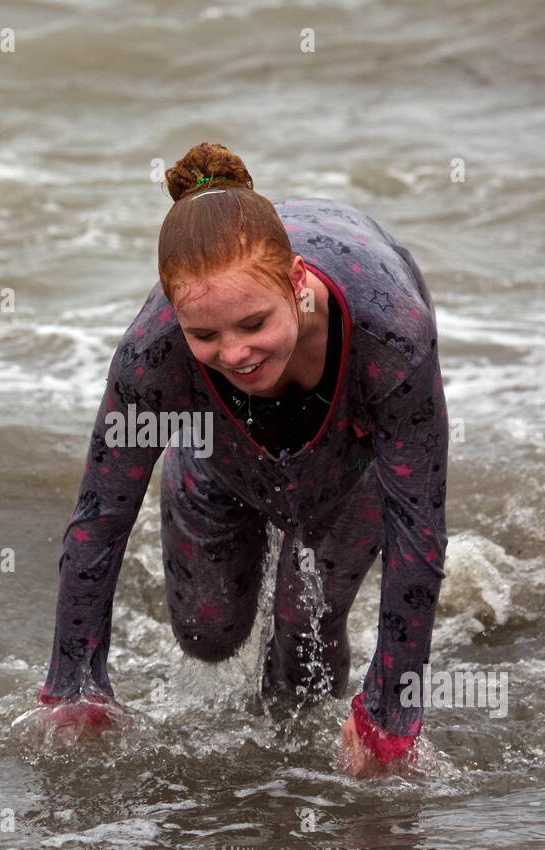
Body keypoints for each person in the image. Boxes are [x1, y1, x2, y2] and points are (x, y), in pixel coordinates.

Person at [31, 143, 449, 778]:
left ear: (299, 283)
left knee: (303, 641)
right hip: (220, 455)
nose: (236, 353)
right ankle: (196, 469)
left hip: (348, 465)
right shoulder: (154, 354)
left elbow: (417, 529)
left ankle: (290, 802)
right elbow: (99, 521)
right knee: (207, 634)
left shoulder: (390, 334)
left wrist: (390, 721)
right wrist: (73, 689)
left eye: (255, 324)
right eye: (206, 335)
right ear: (177, 317)